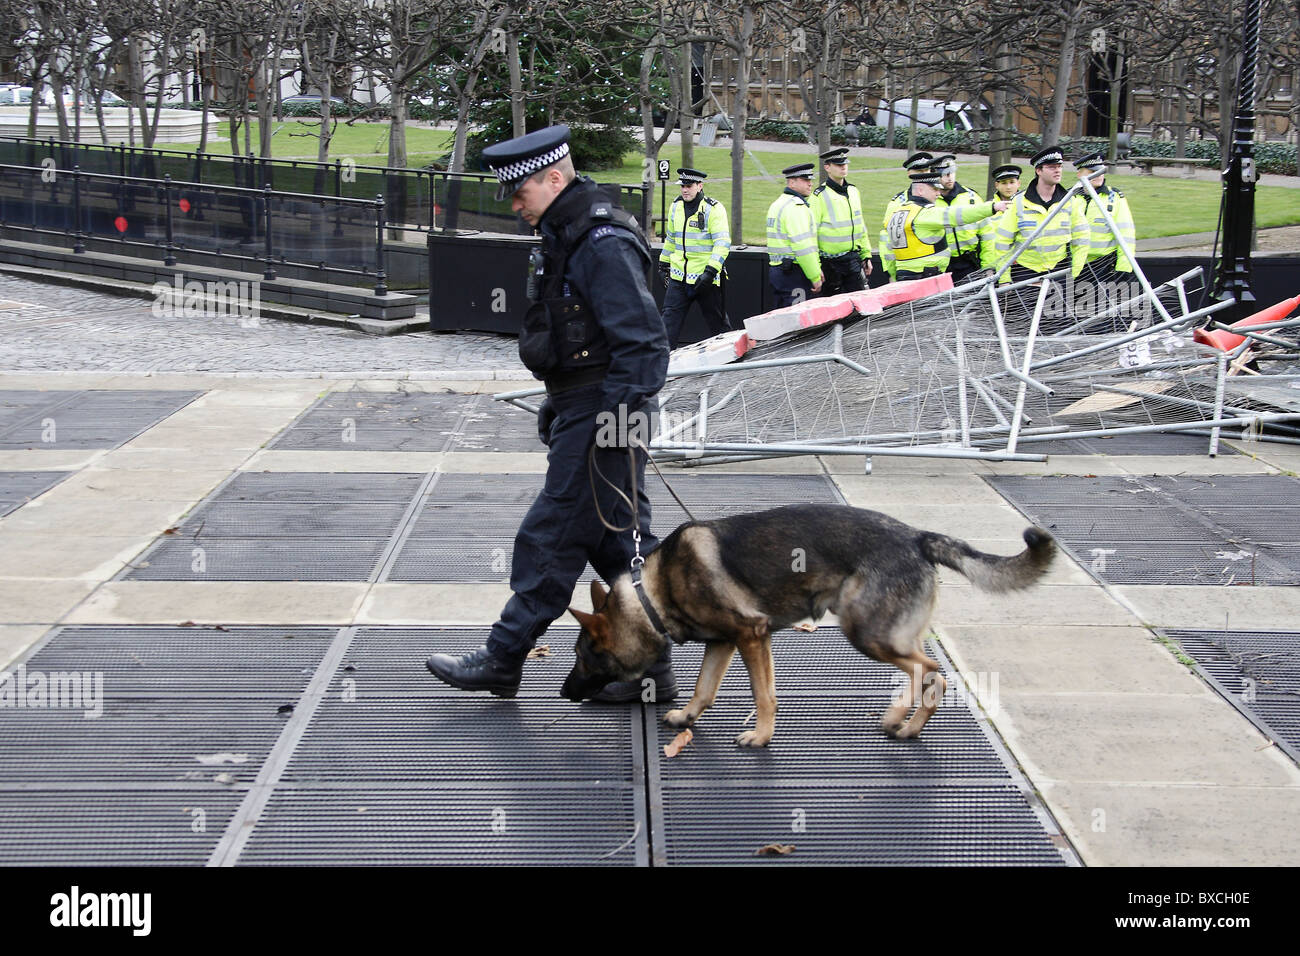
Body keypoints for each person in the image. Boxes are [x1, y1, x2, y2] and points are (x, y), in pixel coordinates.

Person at [425, 125, 675, 703]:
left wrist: (603, 424)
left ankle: (503, 656)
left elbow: (642, 345)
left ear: (554, 179)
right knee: (619, 543)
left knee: (553, 534)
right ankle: (650, 671)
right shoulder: (572, 232)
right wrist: (558, 399)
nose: (514, 205)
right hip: (592, 405)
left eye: (520, 193)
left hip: (608, 410)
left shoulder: (600, 240)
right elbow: (582, 338)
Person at [883, 162, 1009, 280]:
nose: (938, 193)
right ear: (920, 190)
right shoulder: (924, 213)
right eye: (934, 189)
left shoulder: (898, 212)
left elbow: (889, 248)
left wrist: (893, 276)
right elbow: (957, 215)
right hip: (925, 277)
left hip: (904, 275)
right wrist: (992, 207)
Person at [991, 145, 1089, 285]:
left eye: (1059, 166)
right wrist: (1004, 278)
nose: (1057, 170)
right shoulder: (1019, 202)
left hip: (1059, 271)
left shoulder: (1069, 202)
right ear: (1038, 170)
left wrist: (1074, 272)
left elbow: (1082, 239)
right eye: (1051, 167)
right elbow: (1002, 242)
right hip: (1025, 273)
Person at [659, 167, 731, 346]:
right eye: (682, 185)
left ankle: (733, 366)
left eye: (689, 185)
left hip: (704, 280)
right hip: (678, 279)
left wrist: (710, 272)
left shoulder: (713, 209)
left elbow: (722, 243)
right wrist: (663, 264)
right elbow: (671, 238)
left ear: (700, 186)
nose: (684, 189)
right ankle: (662, 367)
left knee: (719, 327)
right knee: (667, 325)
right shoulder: (675, 206)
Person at [811, 147, 873, 295]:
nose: (843, 167)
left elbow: (860, 225)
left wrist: (866, 255)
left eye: (845, 164)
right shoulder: (819, 196)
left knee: (863, 303)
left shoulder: (853, 191)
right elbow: (811, 234)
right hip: (830, 263)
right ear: (827, 167)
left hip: (853, 259)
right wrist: (815, 267)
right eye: (838, 165)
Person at [1072, 151, 1136, 287]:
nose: (1098, 175)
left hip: (1102, 266)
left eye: (1100, 171)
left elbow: (1126, 234)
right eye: (1092, 171)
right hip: (1071, 264)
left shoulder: (1115, 197)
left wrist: (1124, 267)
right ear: (1079, 174)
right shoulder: (1069, 197)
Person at [766, 162, 823, 306]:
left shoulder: (777, 204)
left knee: (779, 320)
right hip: (794, 273)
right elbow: (803, 246)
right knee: (798, 323)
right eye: (805, 180)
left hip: (777, 270)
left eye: (810, 180)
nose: (810, 184)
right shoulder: (796, 207)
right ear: (791, 182)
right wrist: (815, 275)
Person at [878, 151, 935, 281]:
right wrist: (892, 273)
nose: (925, 175)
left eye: (927, 170)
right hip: (912, 272)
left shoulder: (939, 197)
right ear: (910, 174)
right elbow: (888, 239)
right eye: (920, 172)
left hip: (943, 268)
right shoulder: (898, 203)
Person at [933, 154, 985, 283]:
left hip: (969, 264)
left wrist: (988, 266)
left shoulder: (971, 197)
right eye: (945, 174)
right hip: (940, 266)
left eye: (952, 173)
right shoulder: (930, 201)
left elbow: (987, 234)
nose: (950, 178)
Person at [979, 164, 1022, 271]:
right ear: (996, 185)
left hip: (1024, 266)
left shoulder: (1028, 206)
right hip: (997, 266)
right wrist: (988, 268)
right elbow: (987, 244)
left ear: (1018, 183)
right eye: (1004, 183)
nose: (1008, 187)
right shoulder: (988, 209)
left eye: (1012, 182)